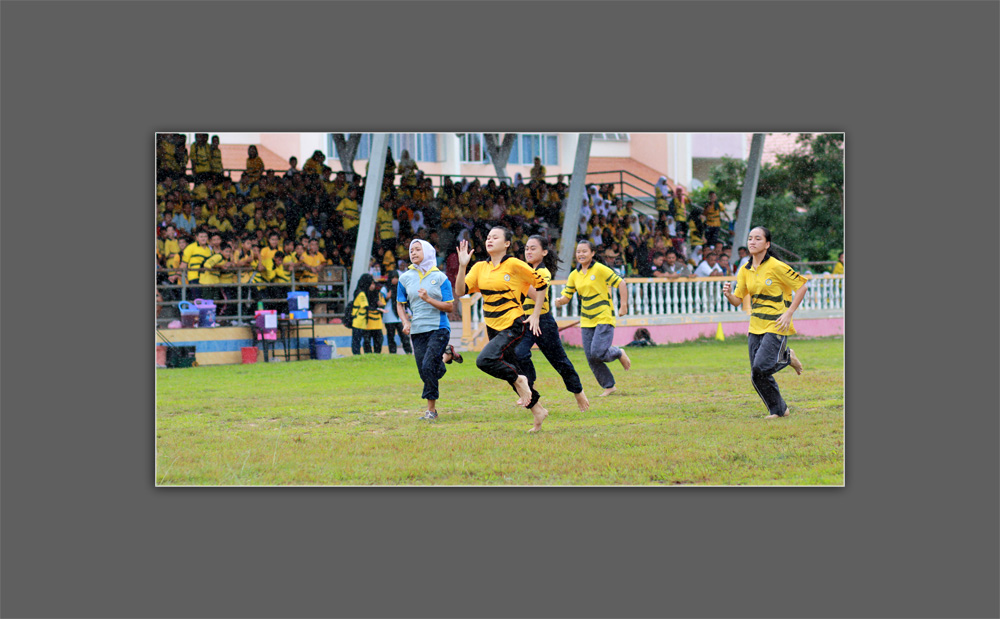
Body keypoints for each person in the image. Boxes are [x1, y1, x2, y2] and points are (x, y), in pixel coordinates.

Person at [455, 227, 551, 432]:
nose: (489, 240)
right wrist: (462, 266)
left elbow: (541, 285)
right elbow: (460, 291)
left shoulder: (515, 264)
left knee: (485, 360)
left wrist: (535, 314)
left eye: (495, 237)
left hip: (513, 324)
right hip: (493, 327)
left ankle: (521, 379)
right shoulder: (479, 267)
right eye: (488, 237)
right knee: (510, 373)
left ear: (507, 243)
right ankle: (538, 411)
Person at [721, 226, 807, 419]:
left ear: (767, 244)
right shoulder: (745, 270)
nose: (752, 242)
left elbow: (802, 286)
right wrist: (728, 294)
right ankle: (779, 410)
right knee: (756, 374)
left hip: (777, 324)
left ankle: (786, 357)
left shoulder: (777, 266)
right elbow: (737, 300)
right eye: (750, 238)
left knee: (761, 367)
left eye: (757, 239)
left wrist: (789, 313)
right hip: (755, 326)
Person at [515, 236, 590, 412]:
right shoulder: (524, 271)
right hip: (526, 321)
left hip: (543, 322)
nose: (529, 251)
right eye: (527, 248)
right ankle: (528, 390)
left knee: (560, 361)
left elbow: (537, 295)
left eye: (533, 248)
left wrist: (522, 281)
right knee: (519, 354)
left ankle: (578, 392)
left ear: (544, 252)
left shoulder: (543, 272)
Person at [553, 240, 632, 397]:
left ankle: (617, 353)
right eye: (578, 252)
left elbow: (621, 283)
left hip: (604, 316)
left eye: (584, 251)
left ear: (592, 253)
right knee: (591, 357)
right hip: (587, 319)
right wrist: (560, 301)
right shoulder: (574, 275)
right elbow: (567, 295)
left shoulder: (600, 269)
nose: (581, 254)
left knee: (597, 351)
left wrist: (623, 306)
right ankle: (609, 386)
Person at [398, 241, 459, 421]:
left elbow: (449, 307)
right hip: (417, 331)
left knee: (428, 366)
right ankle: (447, 355)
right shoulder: (405, 277)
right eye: (411, 250)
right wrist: (405, 322)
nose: (413, 253)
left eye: (417, 249)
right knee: (426, 370)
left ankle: (431, 411)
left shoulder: (441, 278)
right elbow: (400, 303)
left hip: (439, 328)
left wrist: (428, 299)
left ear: (427, 251)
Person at [382, 270, 413, 355]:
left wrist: (407, 313)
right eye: (393, 278)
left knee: (404, 336)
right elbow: (380, 301)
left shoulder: (400, 288)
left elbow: (405, 302)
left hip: (400, 317)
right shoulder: (385, 288)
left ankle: (408, 352)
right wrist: (387, 297)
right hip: (389, 316)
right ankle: (392, 353)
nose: (395, 280)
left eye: (396, 277)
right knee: (391, 336)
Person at [349, 273, 382, 355]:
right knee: (357, 340)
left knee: (357, 340)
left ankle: (357, 354)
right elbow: (366, 307)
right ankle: (356, 355)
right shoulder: (361, 294)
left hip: (361, 322)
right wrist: (377, 309)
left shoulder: (360, 292)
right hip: (358, 321)